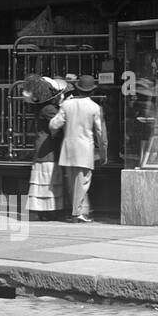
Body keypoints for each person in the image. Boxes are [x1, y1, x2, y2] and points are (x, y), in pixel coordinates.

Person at [49, 74, 107, 223]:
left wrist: (57, 133)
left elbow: (54, 125)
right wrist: (103, 153)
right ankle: (78, 213)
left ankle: (77, 211)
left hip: (68, 149)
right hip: (84, 149)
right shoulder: (95, 107)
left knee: (72, 183)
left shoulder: (67, 105)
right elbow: (101, 133)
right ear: (92, 91)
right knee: (82, 183)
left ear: (78, 89)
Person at [22, 75, 67, 219]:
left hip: (44, 146)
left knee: (46, 179)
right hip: (48, 148)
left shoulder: (44, 107)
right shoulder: (49, 109)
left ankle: (44, 211)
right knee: (47, 179)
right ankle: (46, 211)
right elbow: (59, 123)